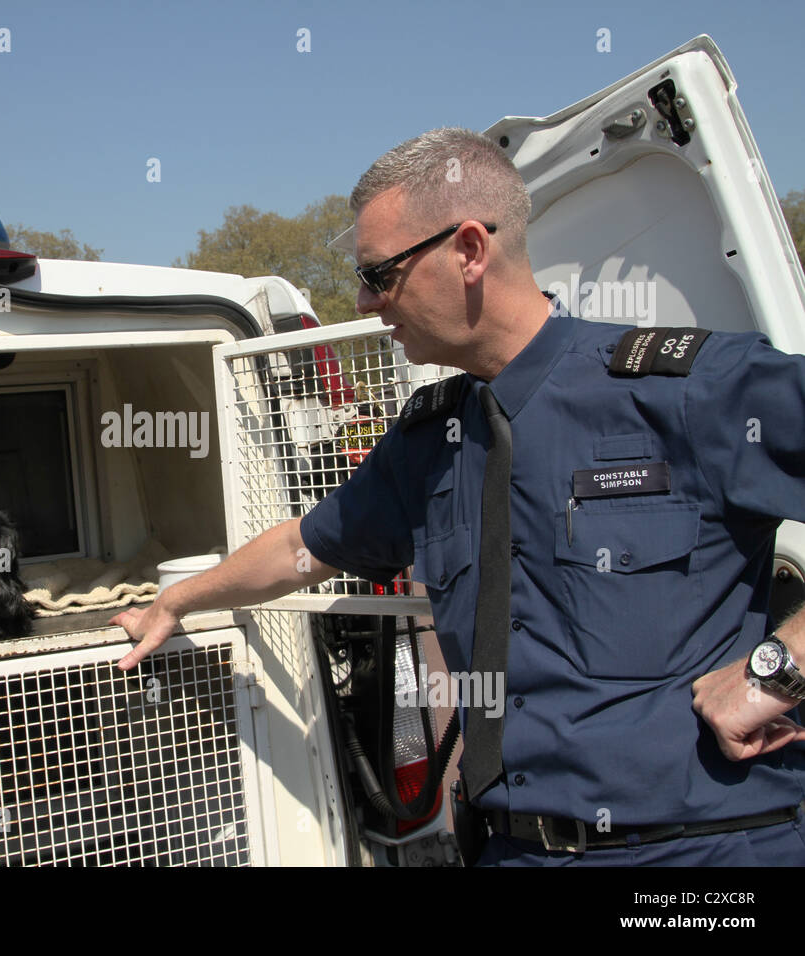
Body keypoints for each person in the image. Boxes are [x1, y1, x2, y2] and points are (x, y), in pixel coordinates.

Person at [110, 127, 805, 866]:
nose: (364, 301)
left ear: (469, 250)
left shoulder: (684, 390)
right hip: (509, 849)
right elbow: (299, 547)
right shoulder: (429, 440)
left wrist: (778, 669)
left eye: (380, 275)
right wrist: (179, 601)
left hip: (699, 856)